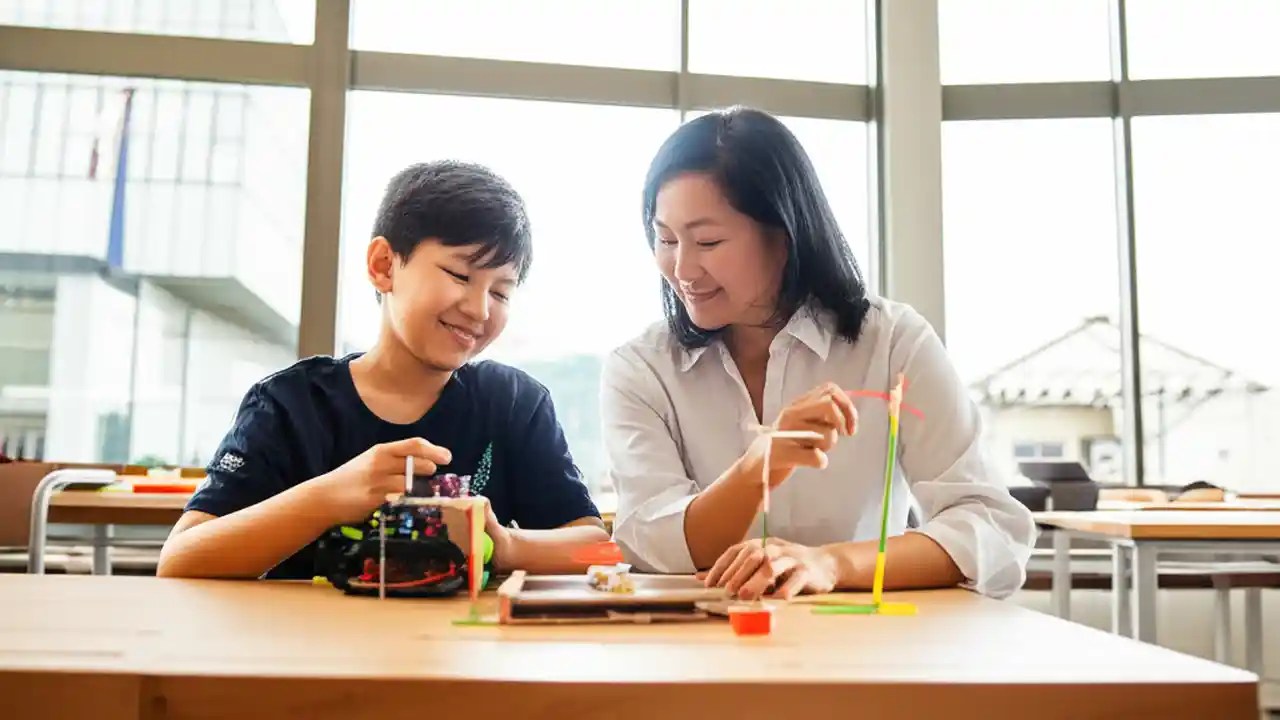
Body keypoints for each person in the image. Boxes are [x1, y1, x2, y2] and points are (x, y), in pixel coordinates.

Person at [603, 107, 1035, 600]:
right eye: (665, 239)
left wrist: (832, 562)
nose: (682, 268)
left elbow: (991, 527)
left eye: (708, 241)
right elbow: (646, 543)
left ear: (784, 236)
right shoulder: (641, 368)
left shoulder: (893, 342)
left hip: (864, 650)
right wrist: (755, 469)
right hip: (700, 649)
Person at [159, 160, 608, 580]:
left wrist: (507, 544)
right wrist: (330, 496)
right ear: (383, 266)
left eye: (501, 293)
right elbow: (181, 560)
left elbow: (599, 549)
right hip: (312, 658)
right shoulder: (292, 404)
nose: (478, 308)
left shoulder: (513, 403)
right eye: (459, 275)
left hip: (460, 656)